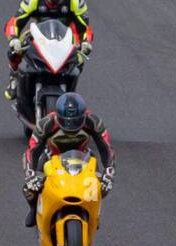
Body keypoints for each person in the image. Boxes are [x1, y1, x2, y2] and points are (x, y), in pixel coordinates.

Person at [22, 93, 115, 228]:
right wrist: (30, 173)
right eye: (66, 121)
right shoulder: (46, 124)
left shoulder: (93, 121)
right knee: (29, 188)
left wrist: (109, 171)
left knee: (102, 185)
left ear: (83, 116)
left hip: (84, 156)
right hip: (52, 157)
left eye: (76, 121)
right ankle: (33, 209)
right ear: (58, 116)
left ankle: (94, 213)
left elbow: (107, 148)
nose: (71, 125)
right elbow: (32, 151)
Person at [3, 0, 93, 101]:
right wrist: (13, 38)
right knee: (16, 47)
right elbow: (14, 22)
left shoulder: (75, 1)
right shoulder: (33, 0)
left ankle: (70, 84)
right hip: (40, 34)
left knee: (80, 57)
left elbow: (85, 27)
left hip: (67, 35)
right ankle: (14, 76)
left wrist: (86, 42)